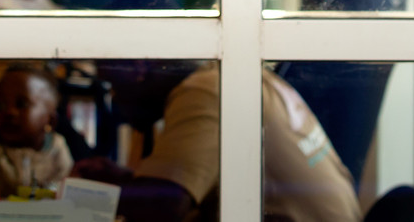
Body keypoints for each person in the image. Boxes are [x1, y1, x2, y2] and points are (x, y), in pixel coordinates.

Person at [75, 59, 361, 222]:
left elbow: (167, 205)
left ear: (136, 68)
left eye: (112, 83)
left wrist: (80, 195)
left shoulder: (206, 91)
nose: (114, 98)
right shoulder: (229, 73)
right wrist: (126, 180)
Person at [0, 63, 75, 196]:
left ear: (50, 121)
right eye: (0, 105)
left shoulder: (57, 149)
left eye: (22, 104)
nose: (9, 112)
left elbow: (63, 192)